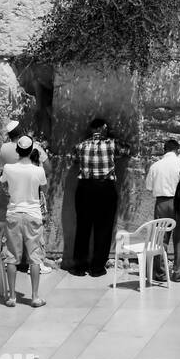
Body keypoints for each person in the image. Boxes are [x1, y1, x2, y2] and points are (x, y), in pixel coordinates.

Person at [71, 117, 131, 278]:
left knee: (83, 226)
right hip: (105, 188)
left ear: (91, 129)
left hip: (84, 188)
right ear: (104, 127)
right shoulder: (112, 144)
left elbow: (75, 159)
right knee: (103, 228)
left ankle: (79, 266)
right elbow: (128, 150)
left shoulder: (80, 145)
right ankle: (97, 267)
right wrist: (112, 134)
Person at [0, 136, 48, 309]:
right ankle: (34, 297)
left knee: (12, 257)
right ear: (32, 150)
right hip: (33, 215)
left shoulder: (8, 168)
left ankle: (12, 297)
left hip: (13, 214)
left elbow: (3, 184)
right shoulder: (38, 171)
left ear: (17, 150)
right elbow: (44, 187)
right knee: (34, 257)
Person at [145, 138, 180, 284]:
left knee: (161, 238)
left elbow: (149, 187)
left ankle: (160, 273)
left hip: (162, 203)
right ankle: (178, 273)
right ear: (177, 150)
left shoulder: (155, 166)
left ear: (164, 150)